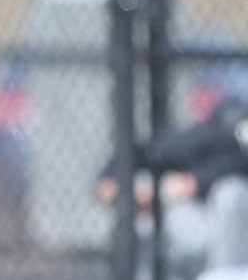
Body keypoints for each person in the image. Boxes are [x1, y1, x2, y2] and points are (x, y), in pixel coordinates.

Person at [96, 90, 248, 280]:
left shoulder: (234, 126)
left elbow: (239, 161)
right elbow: (150, 152)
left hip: (228, 240)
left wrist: (195, 182)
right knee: (148, 212)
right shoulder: (191, 136)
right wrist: (117, 184)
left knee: (232, 193)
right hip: (185, 227)